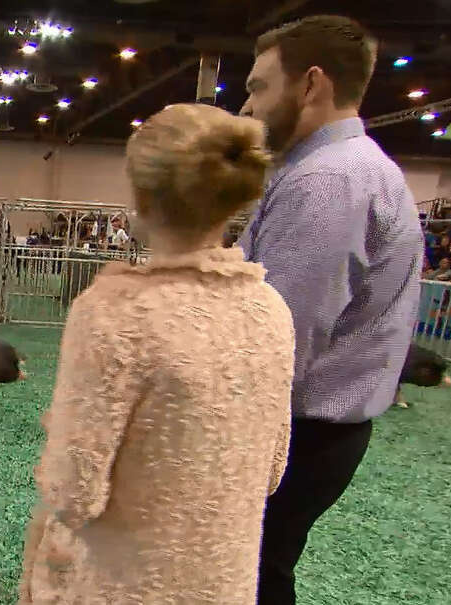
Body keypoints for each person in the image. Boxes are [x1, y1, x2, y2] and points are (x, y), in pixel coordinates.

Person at [20, 103, 293, 604]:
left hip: (125, 581)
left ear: (141, 195)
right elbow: (273, 470)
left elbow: (73, 493)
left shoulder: (115, 311)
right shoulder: (271, 307)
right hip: (223, 578)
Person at [237, 16, 423, 605]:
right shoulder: (331, 170)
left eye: (259, 86)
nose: (248, 107)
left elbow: (280, 338)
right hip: (308, 427)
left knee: (252, 577)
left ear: (311, 85)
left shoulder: (328, 181)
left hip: (297, 428)